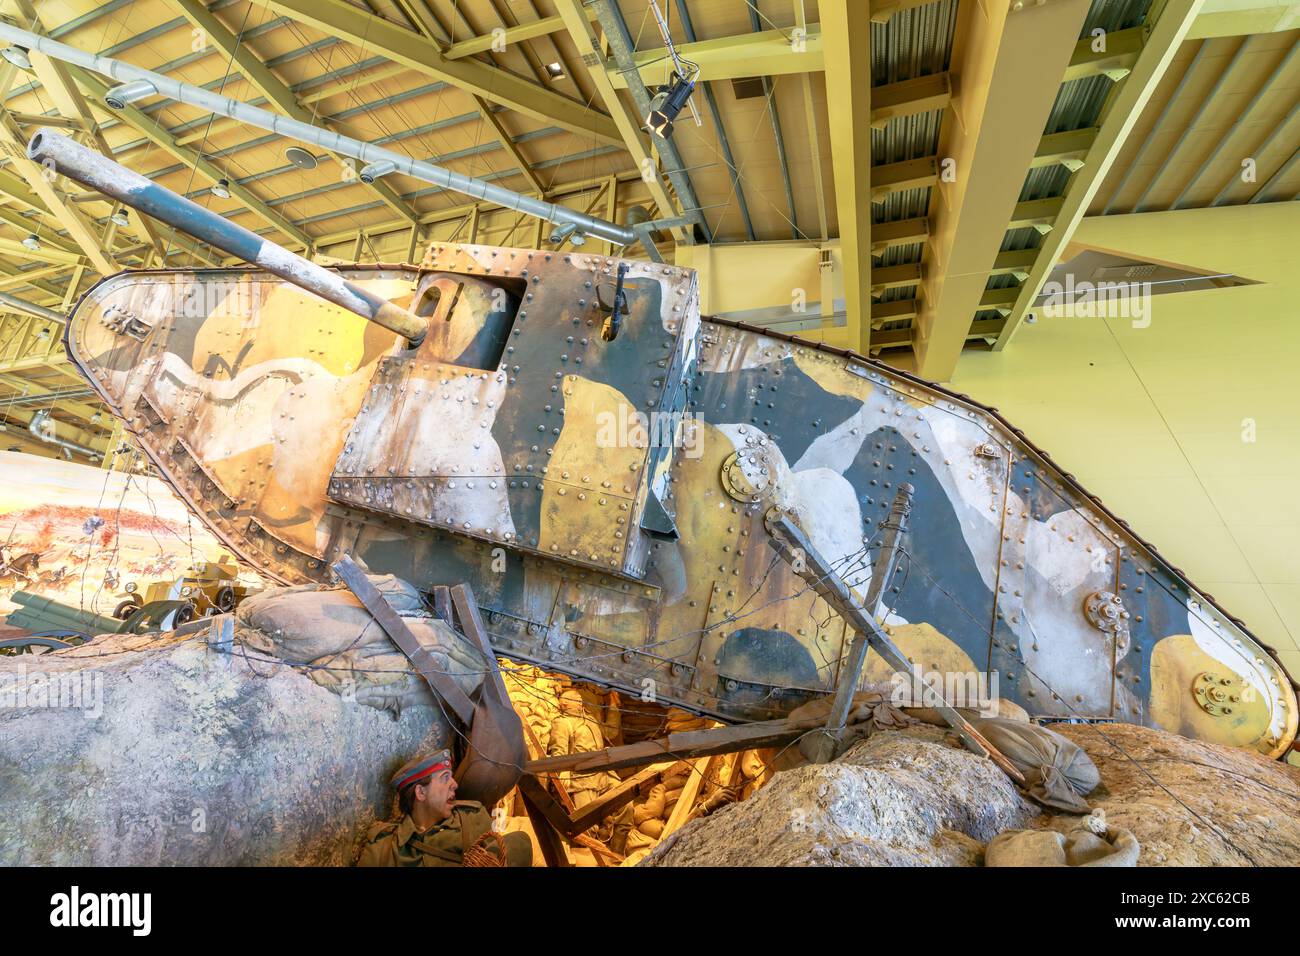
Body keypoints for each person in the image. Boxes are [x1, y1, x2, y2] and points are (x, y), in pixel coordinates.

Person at [356, 750, 532, 867]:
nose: (454, 784)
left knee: (518, 842)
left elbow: (507, 855)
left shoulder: (471, 818)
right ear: (421, 792)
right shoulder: (383, 848)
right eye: (445, 778)